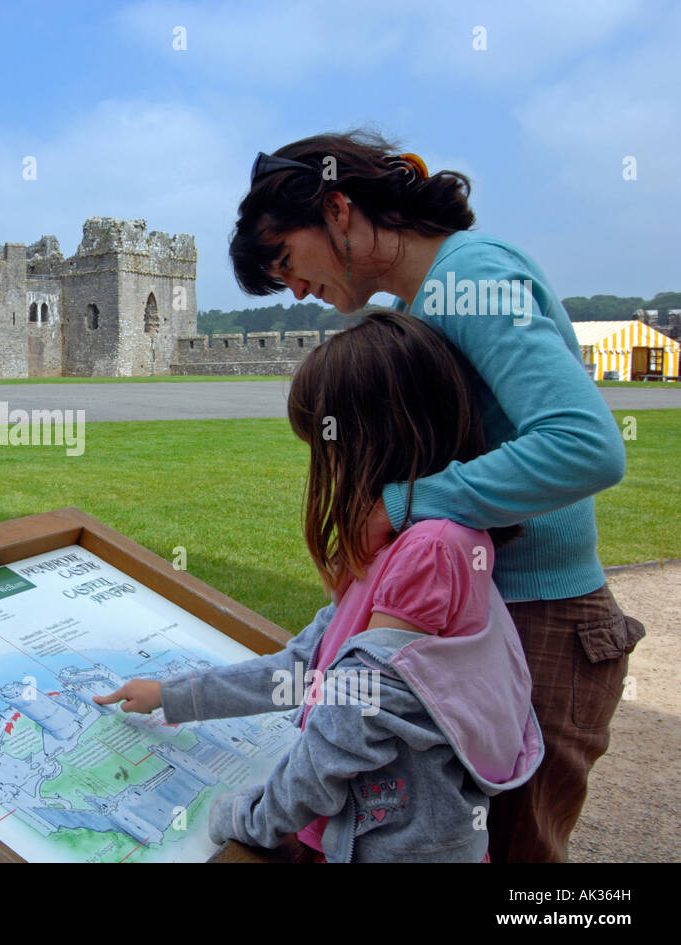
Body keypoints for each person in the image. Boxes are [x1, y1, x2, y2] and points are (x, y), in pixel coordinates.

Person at [224, 130, 645, 862]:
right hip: (495, 614)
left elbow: (585, 444)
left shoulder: (467, 276)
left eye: (286, 260)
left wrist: (398, 503)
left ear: (338, 209)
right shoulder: (433, 295)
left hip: (543, 618)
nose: (293, 289)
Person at [96, 311, 543, 862]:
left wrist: (254, 819)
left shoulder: (430, 551)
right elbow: (302, 667)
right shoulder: (400, 543)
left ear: (372, 437)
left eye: (328, 444)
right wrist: (174, 696)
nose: (325, 464)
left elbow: (350, 722)